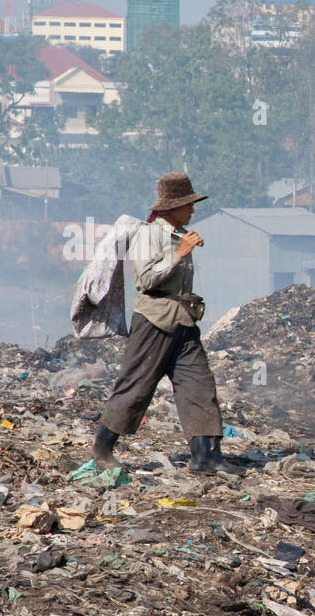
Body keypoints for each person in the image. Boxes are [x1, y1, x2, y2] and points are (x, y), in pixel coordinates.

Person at [92, 173, 242, 475]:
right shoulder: (151, 235)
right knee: (136, 386)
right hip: (154, 321)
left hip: (183, 322)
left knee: (199, 387)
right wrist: (180, 253)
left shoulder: (180, 233)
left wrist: (182, 248)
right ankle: (102, 449)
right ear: (173, 208)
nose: (193, 211)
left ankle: (206, 458)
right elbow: (145, 280)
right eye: (189, 205)